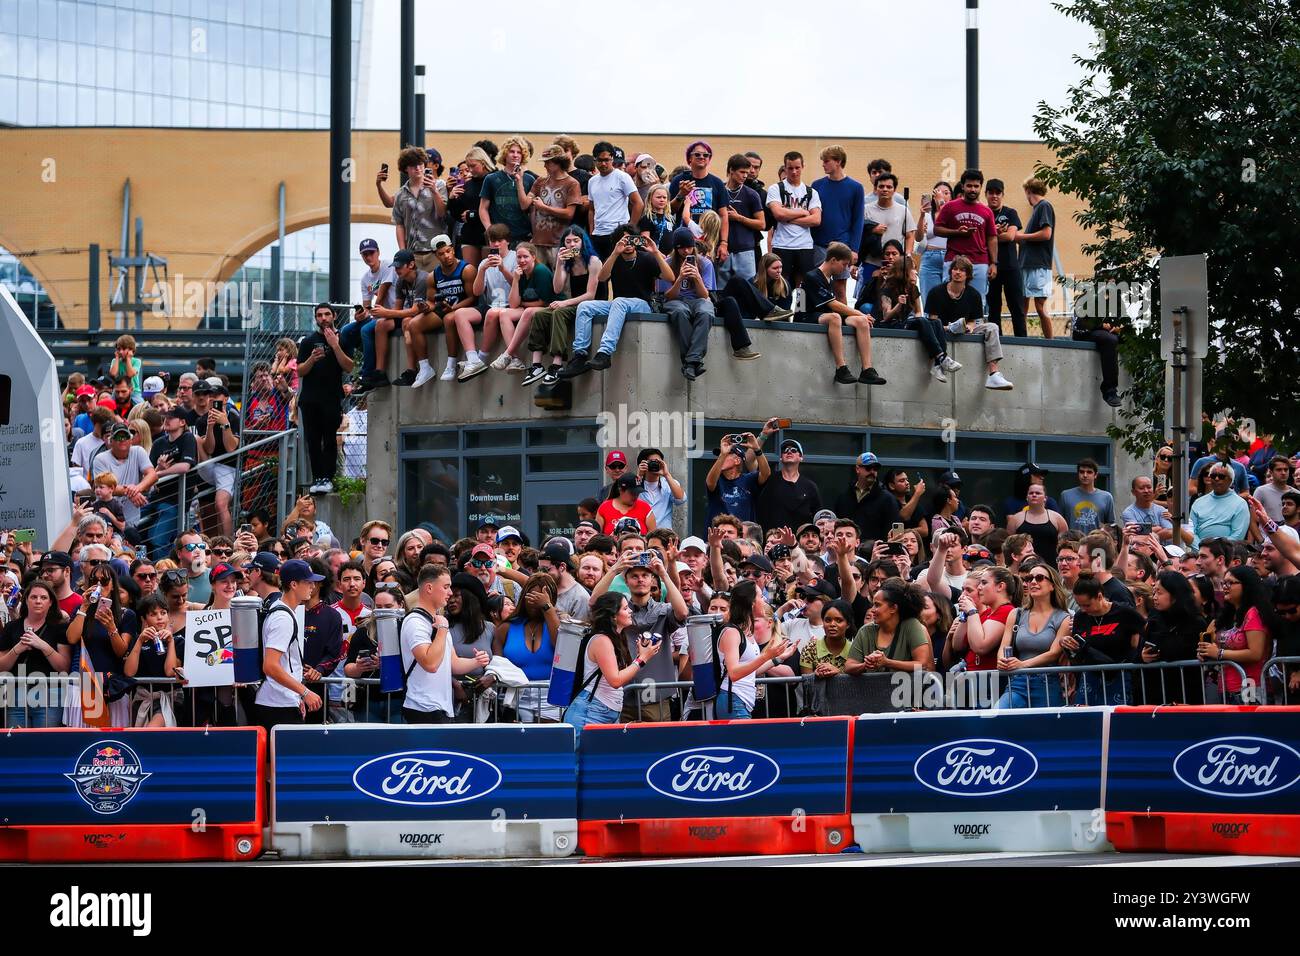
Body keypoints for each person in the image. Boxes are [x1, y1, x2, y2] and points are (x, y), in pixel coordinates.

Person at [558, 226, 673, 378]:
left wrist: (656, 252)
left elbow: (670, 277)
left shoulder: (646, 257)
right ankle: (580, 355)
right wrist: (614, 253)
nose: (629, 243)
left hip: (643, 304)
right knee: (585, 306)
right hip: (618, 305)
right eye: (624, 240)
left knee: (619, 302)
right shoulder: (614, 258)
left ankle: (605, 353)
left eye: (632, 239)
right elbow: (602, 278)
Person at [562, 592, 661, 742]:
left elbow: (621, 674)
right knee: (580, 764)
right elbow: (615, 680)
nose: (630, 611)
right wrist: (643, 658)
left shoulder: (616, 638)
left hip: (605, 712)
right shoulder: (601, 640)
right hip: (590, 711)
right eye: (625, 608)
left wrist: (640, 655)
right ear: (613, 616)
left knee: (601, 764)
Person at [398, 565, 490, 724]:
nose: (450, 593)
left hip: (442, 707)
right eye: (446, 587)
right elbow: (430, 664)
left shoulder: (439, 621)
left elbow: (453, 663)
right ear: (429, 588)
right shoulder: (415, 621)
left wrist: (477, 661)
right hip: (423, 707)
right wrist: (442, 629)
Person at [516, 225, 601, 386]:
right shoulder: (567, 262)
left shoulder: (593, 261)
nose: (572, 245)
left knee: (558, 312)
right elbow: (557, 288)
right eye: (568, 242)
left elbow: (591, 295)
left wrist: (564, 303)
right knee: (540, 314)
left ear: (583, 242)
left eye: (576, 241)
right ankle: (536, 365)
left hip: (591, 305)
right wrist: (560, 264)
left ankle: (556, 364)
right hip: (575, 304)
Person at [798, 242, 885, 386]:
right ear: (833, 260)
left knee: (861, 322)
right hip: (806, 316)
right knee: (835, 317)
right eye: (844, 264)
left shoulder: (829, 279)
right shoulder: (812, 276)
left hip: (824, 316)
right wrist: (859, 313)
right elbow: (832, 304)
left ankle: (867, 369)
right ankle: (841, 368)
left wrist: (860, 317)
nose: (845, 269)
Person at [252, 559, 323, 729]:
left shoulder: (281, 611)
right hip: (277, 706)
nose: (313, 587)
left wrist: (295, 696)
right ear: (293, 584)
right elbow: (270, 666)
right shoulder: (282, 618)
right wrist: (304, 692)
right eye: (308, 582)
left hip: (280, 702)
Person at [925, 255, 1014, 390]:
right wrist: (948, 327)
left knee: (992, 326)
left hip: (963, 330)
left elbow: (973, 320)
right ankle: (939, 363)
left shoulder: (974, 295)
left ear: (968, 275)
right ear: (951, 272)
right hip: (941, 330)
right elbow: (932, 321)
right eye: (955, 269)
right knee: (935, 326)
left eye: (962, 270)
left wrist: (970, 327)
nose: (958, 272)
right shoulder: (936, 292)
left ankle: (994, 374)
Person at [65, 564, 136, 728]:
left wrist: (111, 627)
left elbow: (121, 651)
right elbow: (71, 638)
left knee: (111, 739)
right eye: (94, 580)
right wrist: (84, 607)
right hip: (84, 683)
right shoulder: (81, 609)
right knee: (82, 741)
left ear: (112, 585)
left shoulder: (126, 615)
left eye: (104, 581)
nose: (98, 585)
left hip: (111, 686)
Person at [712, 580, 793, 719]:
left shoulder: (746, 632)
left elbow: (751, 672)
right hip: (733, 700)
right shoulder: (731, 632)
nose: (764, 600)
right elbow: (734, 673)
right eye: (761, 597)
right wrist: (766, 656)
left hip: (741, 702)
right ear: (751, 603)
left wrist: (778, 658)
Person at [296, 305, 354, 494]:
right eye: (319, 315)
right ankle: (317, 478)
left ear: (334, 315)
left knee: (329, 439)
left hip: (331, 398)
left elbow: (349, 367)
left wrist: (335, 345)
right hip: (309, 399)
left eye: (327, 314)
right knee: (313, 440)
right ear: (315, 319)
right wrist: (312, 359)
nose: (323, 318)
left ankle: (328, 478)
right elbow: (300, 371)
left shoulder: (343, 339)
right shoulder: (308, 342)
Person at [995, 564, 1071, 707]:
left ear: (1052, 586)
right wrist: (1001, 660)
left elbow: (1053, 653)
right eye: (1029, 578)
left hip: (1047, 683)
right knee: (999, 713)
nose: (1033, 582)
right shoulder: (1016, 614)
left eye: (1040, 578)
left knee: (1045, 728)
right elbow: (1004, 645)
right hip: (1018, 681)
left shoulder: (1063, 618)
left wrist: (1022, 664)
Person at [0, 581, 71, 727]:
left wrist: (42, 645)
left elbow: (64, 667)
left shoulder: (59, 627)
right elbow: (1, 667)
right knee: (17, 743)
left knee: (45, 744)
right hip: (16, 694)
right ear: (26, 600)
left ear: (51, 602)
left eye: (43, 598)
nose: (38, 601)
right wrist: (17, 649)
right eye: (33, 597)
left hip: (50, 695)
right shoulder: (12, 627)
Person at [1065, 573, 1143, 706]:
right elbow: (1077, 652)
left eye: (1087, 605)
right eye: (1079, 605)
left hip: (1120, 676)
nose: (1083, 609)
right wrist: (1068, 644)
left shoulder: (1124, 612)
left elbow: (1140, 640)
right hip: (1090, 678)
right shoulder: (1080, 617)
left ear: (1100, 596)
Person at [1202, 565, 1274, 705]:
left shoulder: (1253, 613)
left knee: (1250, 727)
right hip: (1227, 689)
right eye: (1224, 583)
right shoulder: (1228, 615)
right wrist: (1207, 652)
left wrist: (1219, 653)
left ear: (1246, 585)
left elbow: (1255, 653)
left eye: (1230, 583)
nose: (1225, 587)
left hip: (1251, 687)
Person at [1137, 571, 1207, 705]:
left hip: (1185, 693)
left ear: (1175, 596)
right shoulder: (1154, 619)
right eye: (1154, 592)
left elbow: (1180, 651)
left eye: (1159, 592)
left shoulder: (1196, 622)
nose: (1154, 597)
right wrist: (1142, 656)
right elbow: (1138, 652)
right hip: (1154, 694)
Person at [844, 578, 934, 673]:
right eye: (873, 605)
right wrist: (866, 664)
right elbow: (849, 667)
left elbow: (922, 664)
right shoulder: (865, 631)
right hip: (871, 688)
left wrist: (887, 662)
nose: (872, 610)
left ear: (893, 608)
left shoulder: (911, 625)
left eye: (877, 605)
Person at [811, 146, 865, 302]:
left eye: (826, 161)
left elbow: (858, 220)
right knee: (816, 286)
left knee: (840, 288)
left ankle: (843, 322)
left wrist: (854, 249)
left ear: (838, 161)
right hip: (818, 244)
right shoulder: (817, 185)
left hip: (843, 246)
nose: (823, 164)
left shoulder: (855, 188)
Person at [934, 168, 997, 301]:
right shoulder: (950, 207)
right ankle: (950, 323)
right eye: (969, 186)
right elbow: (937, 229)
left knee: (978, 300)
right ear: (962, 186)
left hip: (979, 262)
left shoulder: (987, 211)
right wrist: (957, 232)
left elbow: (992, 238)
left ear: (981, 187)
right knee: (949, 299)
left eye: (976, 186)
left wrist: (994, 263)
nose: (973, 189)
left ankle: (976, 323)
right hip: (953, 260)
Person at [516, 144, 582, 268]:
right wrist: (519, 182)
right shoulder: (540, 181)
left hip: (559, 244)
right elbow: (524, 204)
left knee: (562, 283)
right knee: (541, 280)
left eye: (548, 162)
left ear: (558, 163)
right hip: (538, 242)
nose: (545, 165)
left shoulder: (572, 183)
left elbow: (569, 213)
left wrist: (543, 208)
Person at [767, 151, 822, 288]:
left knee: (802, 285)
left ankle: (800, 309)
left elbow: (816, 220)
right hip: (782, 244)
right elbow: (778, 214)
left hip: (804, 246)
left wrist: (789, 217)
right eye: (790, 168)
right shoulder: (776, 188)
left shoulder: (811, 192)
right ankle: (782, 308)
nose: (794, 171)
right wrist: (802, 212)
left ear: (803, 166)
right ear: (784, 168)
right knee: (780, 283)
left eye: (797, 167)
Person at [391, 145, 448, 273]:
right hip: (413, 253)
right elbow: (399, 224)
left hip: (436, 250)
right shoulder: (400, 194)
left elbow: (442, 213)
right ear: (406, 168)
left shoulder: (439, 185)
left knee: (436, 289)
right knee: (415, 291)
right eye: (413, 165)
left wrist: (434, 191)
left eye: (420, 164)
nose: (418, 168)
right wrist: (402, 250)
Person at [984, 179, 1027, 337]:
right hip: (991, 267)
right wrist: (994, 233)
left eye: (998, 193)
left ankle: (1022, 342)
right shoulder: (983, 213)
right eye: (991, 193)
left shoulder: (1010, 213)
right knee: (993, 309)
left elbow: (1010, 236)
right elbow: (979, 238)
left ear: (1002, 195)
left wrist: (991, 234)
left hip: (1011, 267)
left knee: (1017, 307)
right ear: (986, 194)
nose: (994, 196)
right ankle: (997, 342)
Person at [587, 141, 642, 260]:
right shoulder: (592, 181)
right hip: (598, 234)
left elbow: (638, 203)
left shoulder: (622, 177)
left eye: (607, 160)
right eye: (600, 160)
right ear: (594, 160)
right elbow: (591, 208)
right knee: (600, 273)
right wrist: (592, 230)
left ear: (612, 159)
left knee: (617, 271)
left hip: (617, 233)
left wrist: (629, 229)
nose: (603, 163)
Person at [758, 438, 823, 534]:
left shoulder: (810, 486)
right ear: (780, 457)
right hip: (773, 540)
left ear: (801, 457)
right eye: (785, 451)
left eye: (793, 450)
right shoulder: (769, 479)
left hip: (799, 543)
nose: (789, 452)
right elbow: (751, 463)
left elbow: (818, 518)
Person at [718, 153, 765, 284]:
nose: (745, 175)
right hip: (722, 250)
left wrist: (739, 218)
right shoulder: (719, 189)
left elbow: (762, 224)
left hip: (745, 251)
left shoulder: (752, 194)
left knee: (748, 290)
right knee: (721, 291)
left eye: (747, 172)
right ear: (731, 170)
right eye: (742, 172)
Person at [1019, 177, 1056, 338]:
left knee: (1040, 306)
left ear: (1028, 191)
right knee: (1023, 306)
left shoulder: (1044, 206)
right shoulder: (1037, 209)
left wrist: (1023, 237)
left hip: (1038, 265)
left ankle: (1051, 342)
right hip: (1027, 264)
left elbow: (1046, 233)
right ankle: (1022, 339)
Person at [1189, 464, 1250, 546]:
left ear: (1230, 480)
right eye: (1213, 476)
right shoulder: (1198, 502)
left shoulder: (1240, 503)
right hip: (1199, 552)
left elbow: (1237, 536)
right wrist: (1201, 550)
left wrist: (1215, 551)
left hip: (1227, 552)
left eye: (1221, 476)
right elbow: (1191, 531)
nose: (1217, 479)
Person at [1006, 483, 1069, 559]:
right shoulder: (1015, 519)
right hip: (1023, 566)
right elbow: (1009, 546)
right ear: (1027, 497)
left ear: (1045, 498)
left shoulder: (1057, 519)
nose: (1034, 495)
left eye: (1038, 493)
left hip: (1051, 566)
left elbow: (1064, 546)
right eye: (1031, 493)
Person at [1059, 458, 1116, 534]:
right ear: (1078, 473)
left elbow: (1111, 526)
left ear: (1095, 475)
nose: (1085, 475)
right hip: (1072, 543)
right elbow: (1060, 524)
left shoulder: (1106, 497)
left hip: (1097, 543)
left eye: (1089, 472)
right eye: (1082, 472)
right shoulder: (1065, 495)